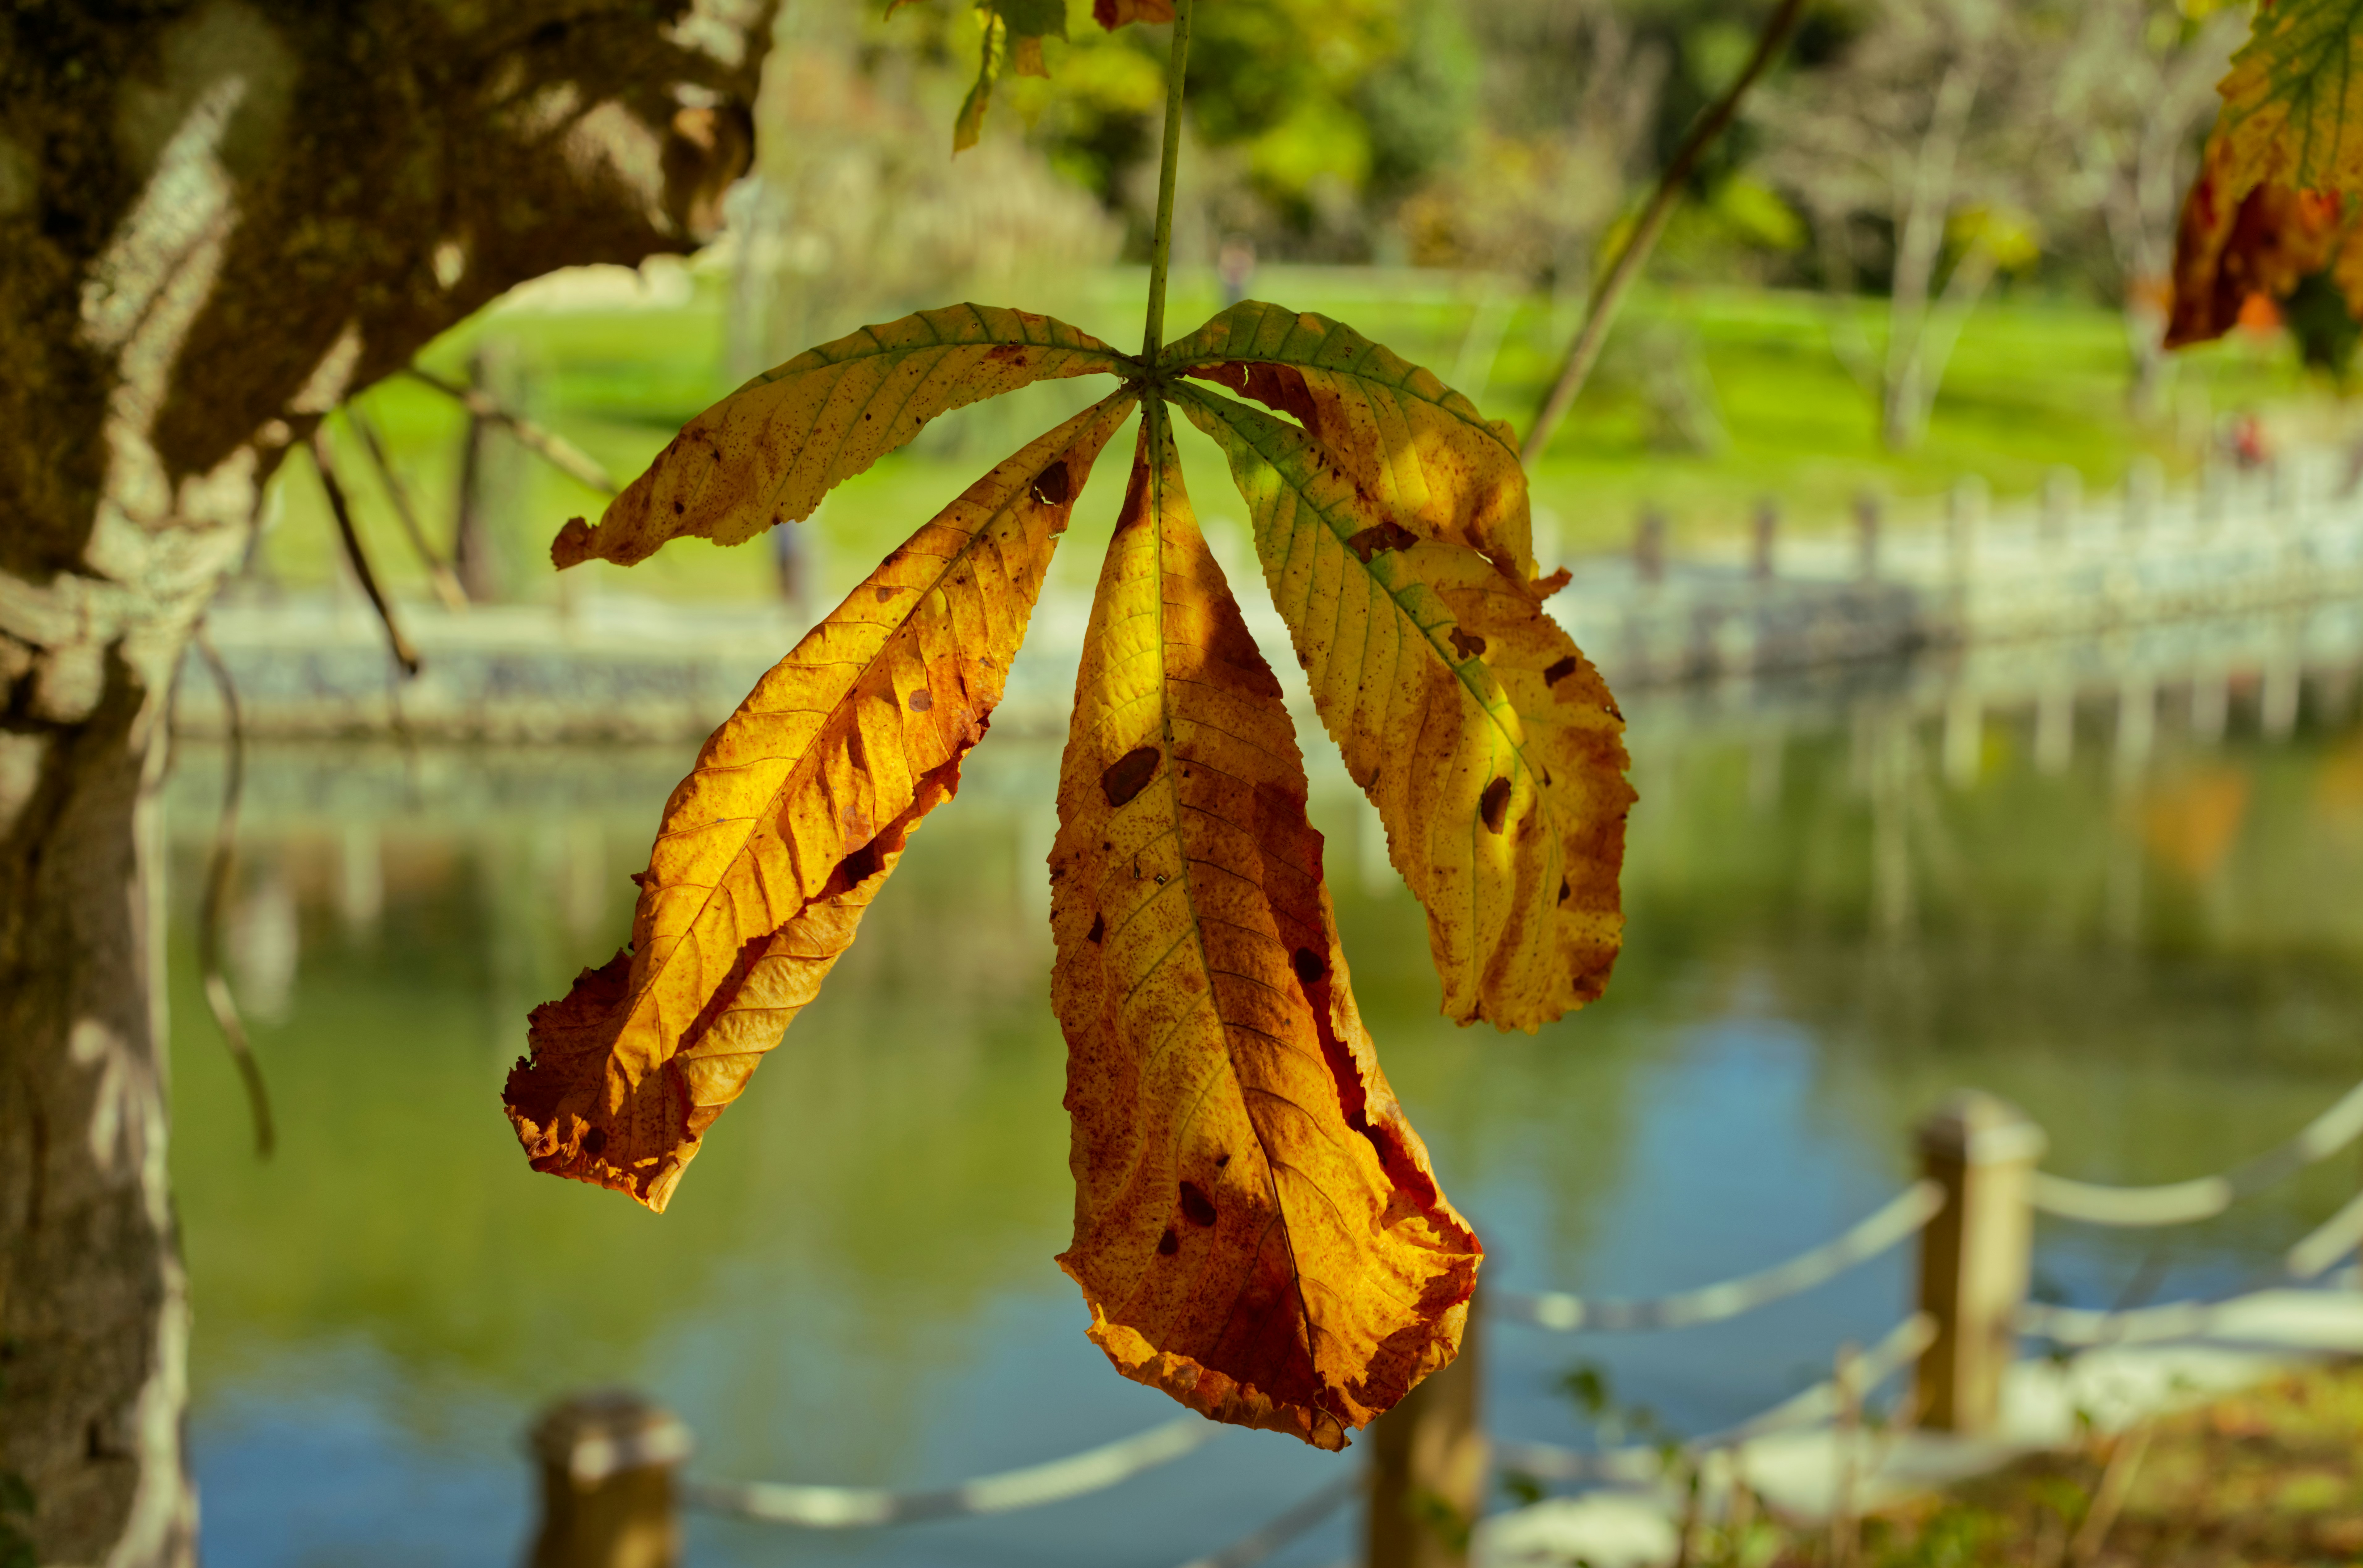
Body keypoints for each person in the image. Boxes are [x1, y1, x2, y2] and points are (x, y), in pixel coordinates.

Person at [1218, 236, 1257, 307]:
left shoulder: (1244, 257)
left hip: (1239, 282)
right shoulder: (1228, 255)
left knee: (1239, 300)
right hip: (1230, 282)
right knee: (1229, 301)